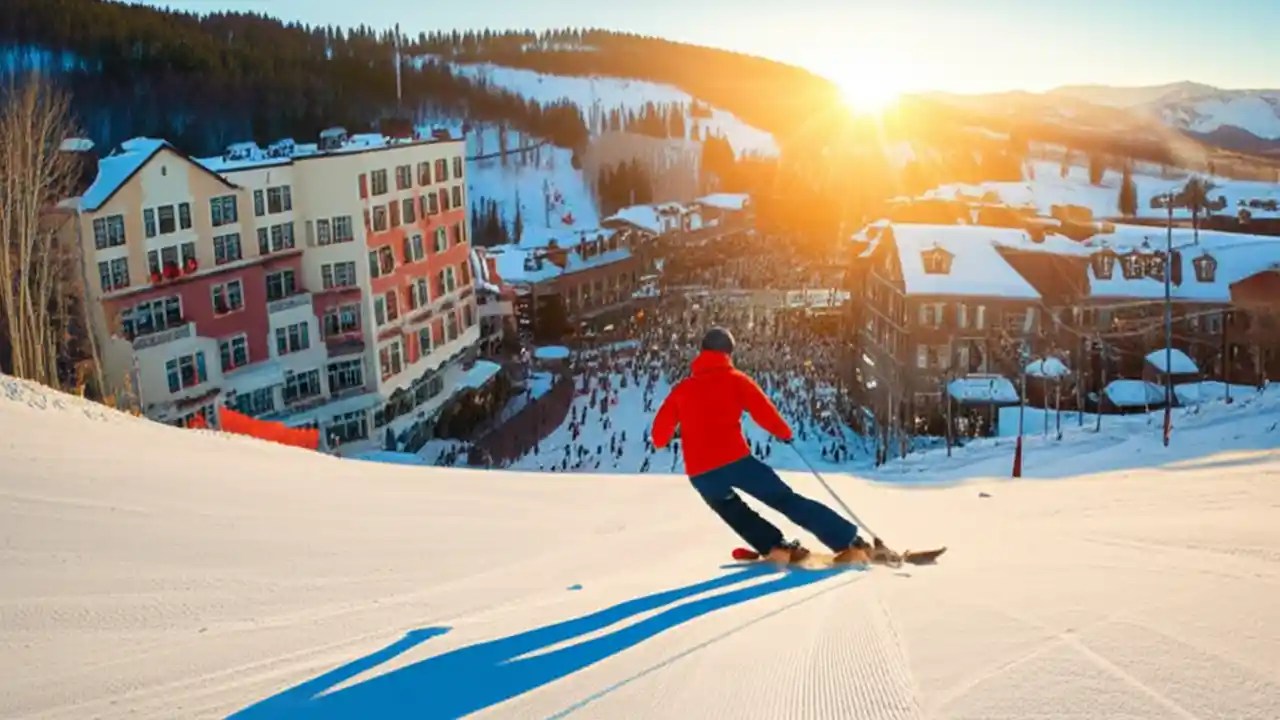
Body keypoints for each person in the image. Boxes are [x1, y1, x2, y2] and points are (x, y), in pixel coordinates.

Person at [651, 327, 875, 564]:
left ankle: (774, 546)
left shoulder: (683, 389)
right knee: (785, 500)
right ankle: (847, 541)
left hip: (702, 472)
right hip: (737, 461)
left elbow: (658, 436)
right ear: (729, 353)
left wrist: (673, 435)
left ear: (702, 352)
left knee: (734, 512)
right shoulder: (736, 380)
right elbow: (763, 410)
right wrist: (784, 433)